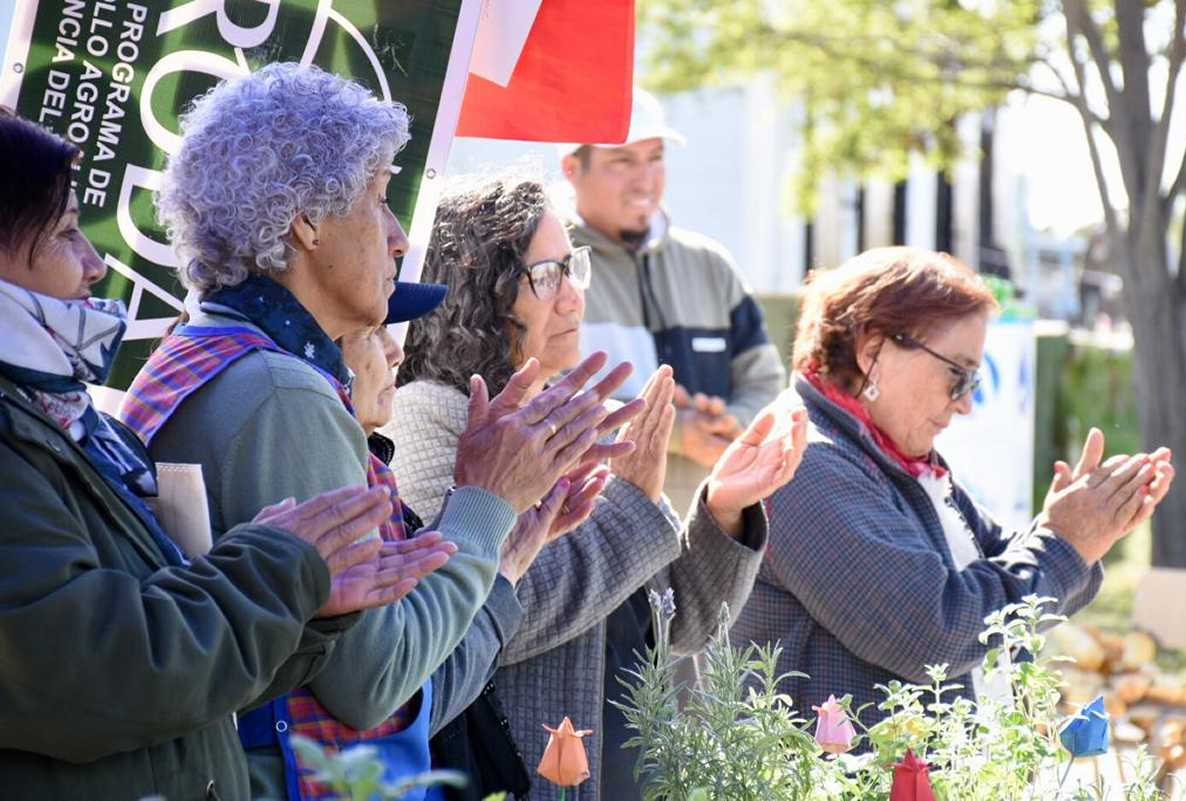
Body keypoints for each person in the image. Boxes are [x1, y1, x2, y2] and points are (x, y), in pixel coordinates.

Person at [118, 64, 632, 801]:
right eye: (380, 200)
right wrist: (483, 500)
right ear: (306, 220)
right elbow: (371, 686)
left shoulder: (216, 350)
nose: (397, 238)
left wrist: (505, 552)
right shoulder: (280, 393)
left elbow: (398, 697)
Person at [0, 108, 450, 801]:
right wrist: (489, 515)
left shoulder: (57, 413)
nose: (94, 264)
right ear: (306, 221)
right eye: (63, 235)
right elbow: (93, 674)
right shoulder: (278, 387)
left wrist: (309, 610)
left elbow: (184, 680)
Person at [387, 176, 808, 801]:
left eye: (573, 266)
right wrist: (633, 506)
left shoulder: (566, 409)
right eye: (547, 274)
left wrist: (724, 507)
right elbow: (490, 611)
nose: (573, 295)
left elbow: (677, 623)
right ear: (475, 291)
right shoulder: (428, 415)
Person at [730, 246, 1175, 731]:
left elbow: (1011, 602)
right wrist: (1066, 543)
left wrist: (1082, 535)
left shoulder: (887, 455)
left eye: (975, 380)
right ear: (873, 349)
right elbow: (936, 635)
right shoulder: (807, 465)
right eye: (957, 375)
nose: (965, 404)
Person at [338, 314, 598, 798]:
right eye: (372, 331)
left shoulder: (367, 457)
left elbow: (424, 671)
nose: (396, 349)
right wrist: (486, 500)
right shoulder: (423, 413)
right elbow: (397, 694)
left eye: (571, 267)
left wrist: (515, 552)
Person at [560, 88, 787, 510]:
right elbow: (544, 408)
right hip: (593, 528)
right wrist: (675, 430)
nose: (644, 180)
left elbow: (767, 383)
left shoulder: (711, 265)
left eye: (655, 158)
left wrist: (727, 422)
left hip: (710, 528)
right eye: (623, 161)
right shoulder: (549, 268)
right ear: (572, 168)